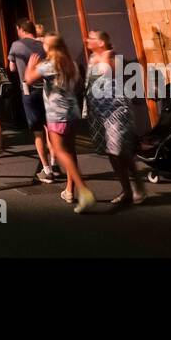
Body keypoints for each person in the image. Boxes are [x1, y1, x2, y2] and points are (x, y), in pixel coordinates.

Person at [27, 35, 94, 212]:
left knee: (59, 151)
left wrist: (30, 65)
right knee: (71, 152)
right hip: (72, 113)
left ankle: (84, 190)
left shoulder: (49, 64)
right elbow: (79, 86)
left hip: (56, 115)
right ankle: (69, 190)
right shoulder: (71, 63)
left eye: (44, 44)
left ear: (49, 47)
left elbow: (29, 79)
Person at [84, 30, 145, 205]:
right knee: (112, 153)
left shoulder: (113, 57)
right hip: (100, 113)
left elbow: (109, 71)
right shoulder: (92, 58)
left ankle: (138, 187)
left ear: (101, 42)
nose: (87, 40)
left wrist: (102, 58)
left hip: (116, 112)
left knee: (122, 152)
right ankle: (126, 190)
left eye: (92, 38)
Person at [9, 18, 54, 184]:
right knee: (50, 128)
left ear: (21, 29)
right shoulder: (44, 44)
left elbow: (12, 68)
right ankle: (55, 163)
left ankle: (47, 169)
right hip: (47, 89)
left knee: (37, 131)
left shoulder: (16, 45)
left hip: (29, 90)